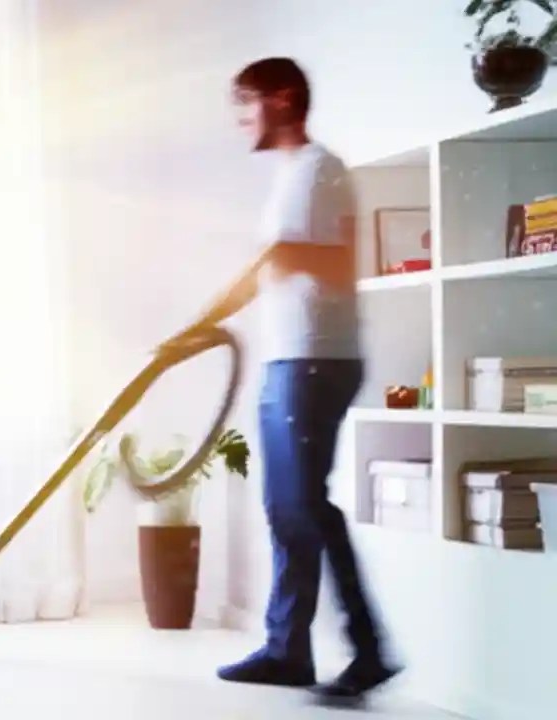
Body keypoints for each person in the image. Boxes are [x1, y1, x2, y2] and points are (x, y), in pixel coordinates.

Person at [172, 57, 400, 704]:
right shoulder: (293, 176)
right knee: (286, 510)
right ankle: (286, 650)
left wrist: (212, 312)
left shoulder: (321, 170)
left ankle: (370, 649)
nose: (240, 117)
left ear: (281, 98)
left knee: (306, 507)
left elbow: (327, 262)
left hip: (317, 359)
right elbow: (286, 261)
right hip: (287, 359)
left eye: (246, 102)